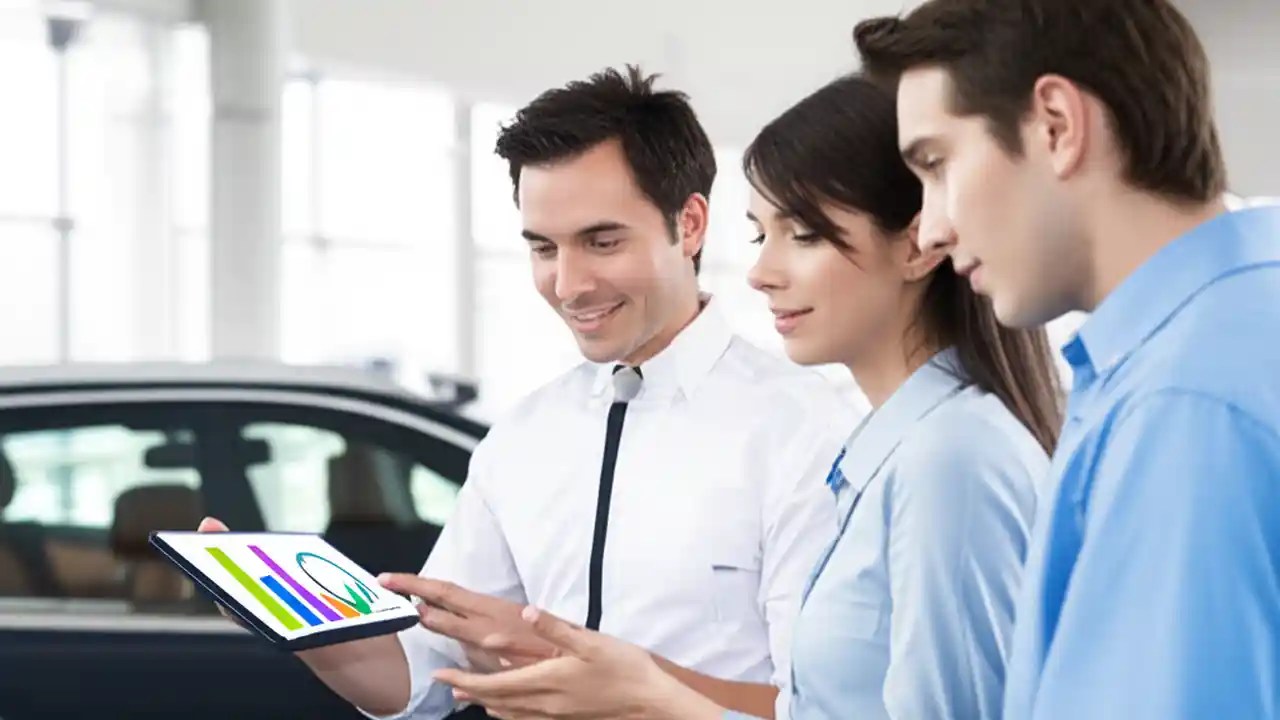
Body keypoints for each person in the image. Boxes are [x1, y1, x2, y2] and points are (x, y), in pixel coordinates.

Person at [201, 65, 854, 719]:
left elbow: (826, 707)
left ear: (689, 224)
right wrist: (295, 623)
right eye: (544, 248)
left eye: (601, 242)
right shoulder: (524, 437)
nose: (569, 285)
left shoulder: (805, 430)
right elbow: (417, 677)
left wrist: (623, 693)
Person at [426, 73, 1064, 720]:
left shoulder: (945, 455)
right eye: (763, 235)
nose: (761, 273)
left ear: (918, 241)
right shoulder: (897, 451)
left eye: (806, 235)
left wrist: (645, 696)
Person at [851, 0, 1280, 716]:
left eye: (937, 163)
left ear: (1056, 125)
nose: (930, 227)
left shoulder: (1185, 405)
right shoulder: (1213, 339)